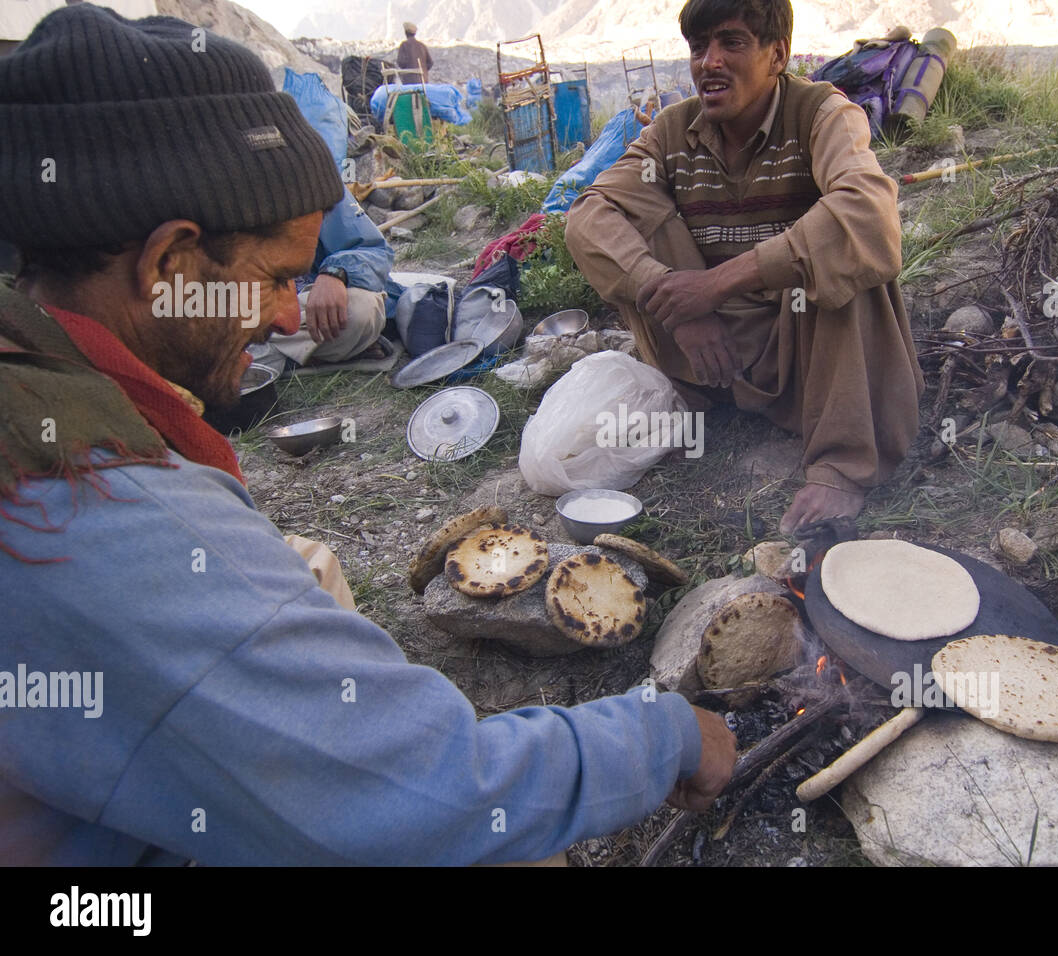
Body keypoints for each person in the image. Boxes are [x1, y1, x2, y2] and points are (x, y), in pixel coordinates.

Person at [0, 4, 735, 866]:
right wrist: (660, 738)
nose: (285, 316)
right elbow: (429, 799)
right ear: (170, 267)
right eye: (276, 279)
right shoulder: (91, 515)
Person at [565, 0, 925, 535]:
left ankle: (842, 464)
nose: (709, 62)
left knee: (851, 244)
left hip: (802, 354)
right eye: (698, 47)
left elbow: (870, 213)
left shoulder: (823, 114)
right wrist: (676, 301)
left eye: (731, 43)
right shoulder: (670, 132)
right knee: (623, 213)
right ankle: (703, 395)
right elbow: (587, 217)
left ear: (777, 54)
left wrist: (716, 284)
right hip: (707, 358)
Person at [264, 190, 393, 369]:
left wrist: (335, 273)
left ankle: (256, 356)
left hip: (306, 308)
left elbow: (377, 253)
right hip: (243, 310)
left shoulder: (314, 180)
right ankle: (295, 357)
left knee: (360, 308)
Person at [396, 21, 432, 86]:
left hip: (409, 82)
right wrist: (423, 71)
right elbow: (430, 63)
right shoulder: (422, 45)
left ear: (405, 33)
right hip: (424, 81)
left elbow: (401, 63)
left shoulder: (404, 45)